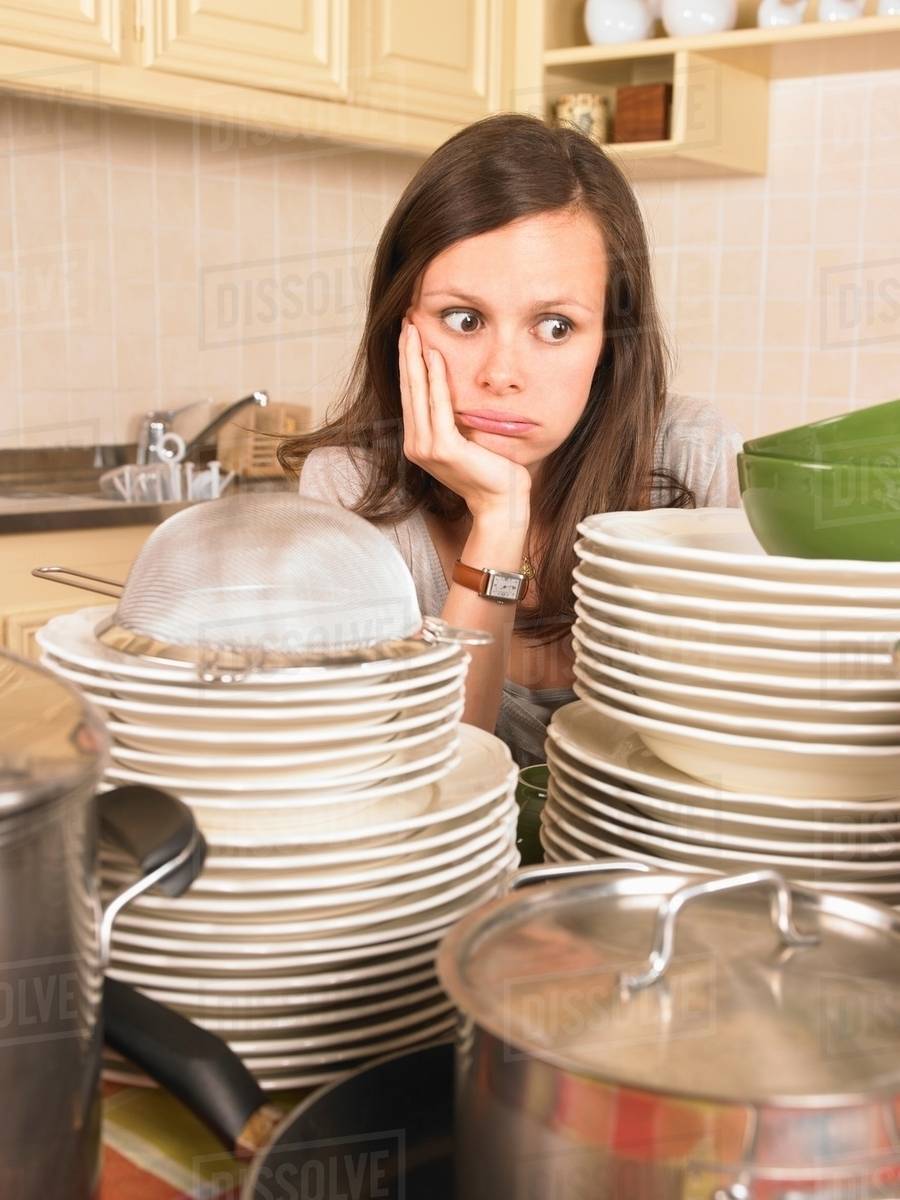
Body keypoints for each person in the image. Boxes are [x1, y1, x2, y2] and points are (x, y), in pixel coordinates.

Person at [278, 112, 743, 768]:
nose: (502, 374)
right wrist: (497, 520)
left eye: (554, 327)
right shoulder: (348, 490)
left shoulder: (691, 454)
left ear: (611, 339)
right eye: (463, 320)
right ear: (401, 322)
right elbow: (429, 782)